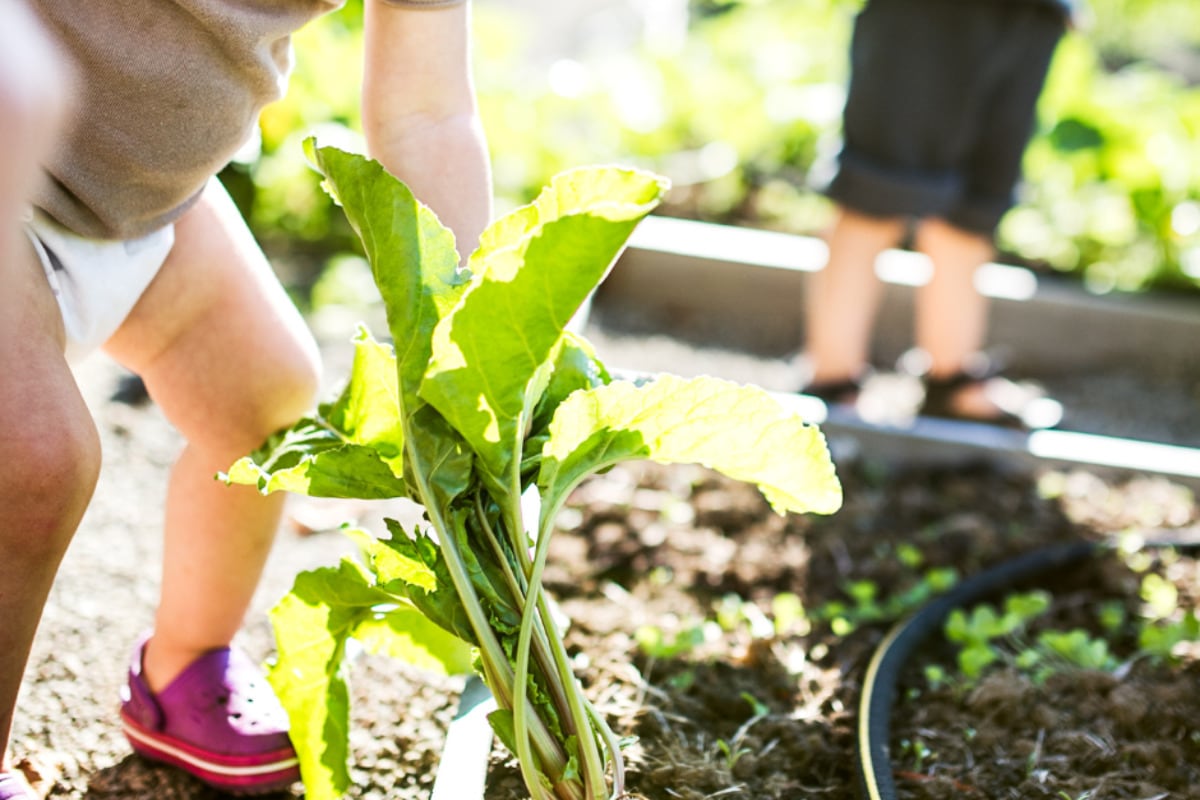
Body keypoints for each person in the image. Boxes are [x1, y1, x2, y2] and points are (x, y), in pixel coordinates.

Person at [0, 0, 492, 797]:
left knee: (266, 402)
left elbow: (428, 113)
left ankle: (183, 668)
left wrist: (462, 337)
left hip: (142, 201)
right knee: (32, 464)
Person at [800, 0, 1078, 427]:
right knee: (875, 190)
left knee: (976, 206)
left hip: (1035, 10)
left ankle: (953, 376)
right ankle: (832, 381)